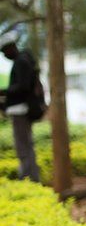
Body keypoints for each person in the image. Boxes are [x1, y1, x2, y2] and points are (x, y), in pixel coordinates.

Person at [0, 33, 41, 182]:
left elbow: (23, 87)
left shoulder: (21, 62)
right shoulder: (23, 60)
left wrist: (4, 91)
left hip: (20, 110)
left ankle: (28, 180)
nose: (4, 55)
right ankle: (31, 178)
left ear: (11, 48)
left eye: (5, 51)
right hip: (21, 109)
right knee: (26, 146)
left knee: (23, 148)